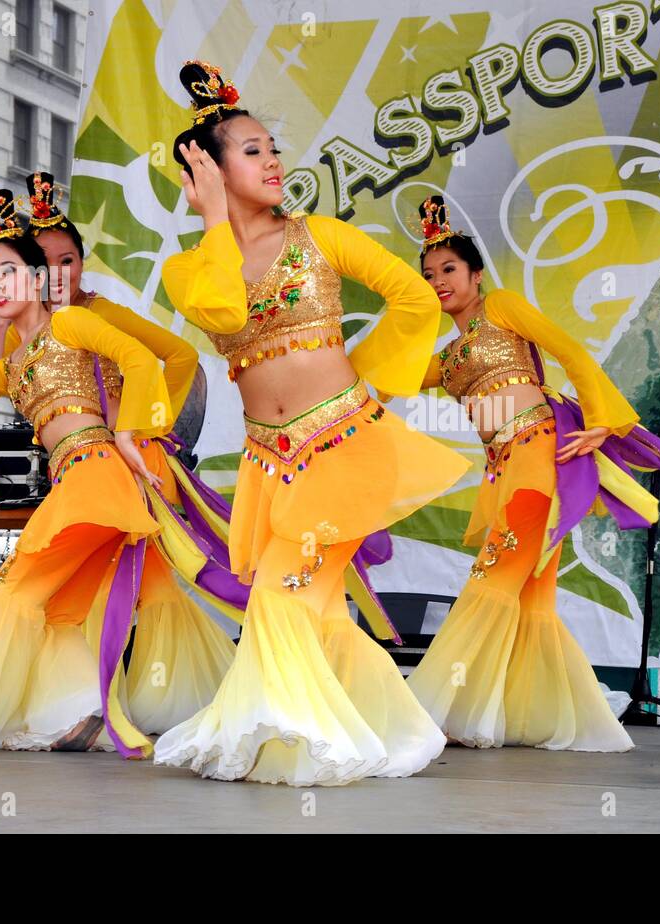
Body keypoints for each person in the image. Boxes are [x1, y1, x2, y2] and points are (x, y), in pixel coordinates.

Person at [151, 60, 469, 785]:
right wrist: (210, 219)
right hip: (270, 460)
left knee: (282, 595)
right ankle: (387, 729)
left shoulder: (319, 234)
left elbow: (415, 301)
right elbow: (228, 312)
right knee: (315, 603)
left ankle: (298, 738)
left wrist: (366, 383)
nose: (273, 161)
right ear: (206, 166)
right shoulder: (190, 268)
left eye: (273, 147)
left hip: (345, 442)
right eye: (252, 150)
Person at [0, 189, 172, 756]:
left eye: (7, 271)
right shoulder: (14, 364)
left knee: (16, 587)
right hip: (75, 483)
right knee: (59, 609)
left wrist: (128, 431)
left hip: (98, 476)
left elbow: (142, 358)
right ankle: (81, 715)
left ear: (36, 277)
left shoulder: (72, 324)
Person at [406, 195, 660, 750]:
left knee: (493, 577)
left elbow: (571, 350)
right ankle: (534, 718)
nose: (439, 282)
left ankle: (432, 713)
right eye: (428, 275)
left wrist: (602, 421)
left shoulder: (501, 307)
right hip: (503, 465)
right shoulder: (447, 356)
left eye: (449, 270)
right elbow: (391, 375)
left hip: (537, 452)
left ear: (475, 275)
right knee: (532, 596)